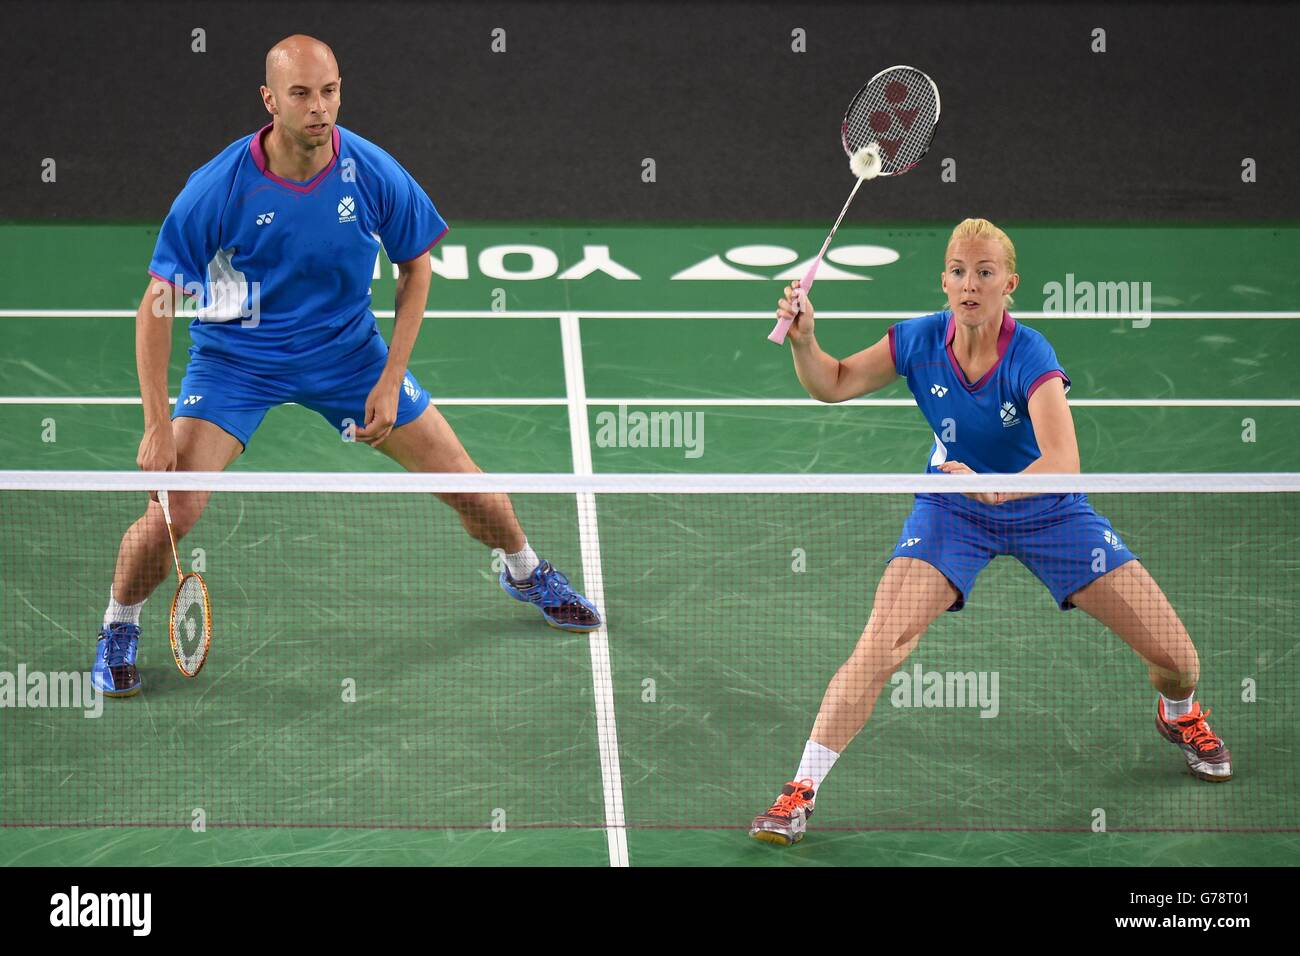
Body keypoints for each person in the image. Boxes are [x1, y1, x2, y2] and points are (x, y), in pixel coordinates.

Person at [92, 35, 600, 698]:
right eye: (300, 93)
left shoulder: (371, 171)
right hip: (235, 361)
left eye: (328, 90)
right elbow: (154, 305)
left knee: (474, 490)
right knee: (173, 512)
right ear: (270, 100)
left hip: (347, 354)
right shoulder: (217, 188)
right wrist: (157, 424)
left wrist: (389, 379)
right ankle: (117, 625)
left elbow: (416, 265)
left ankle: (526, 569)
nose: (319, 107)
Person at [749, 218, 1230, 846]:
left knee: (1178, 658)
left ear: (1010, 284)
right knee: (882, 640)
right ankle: (801, 791)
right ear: (943, 279)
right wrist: (804, 342)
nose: (969, 285)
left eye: (984, 273)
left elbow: (1063, 460)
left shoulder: (1030, 354)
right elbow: (833, 384)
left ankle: (1179, 714)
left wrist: (1001, 485)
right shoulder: (918, 341)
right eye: (957, 271)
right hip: (954, 507)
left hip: (1047, 508)